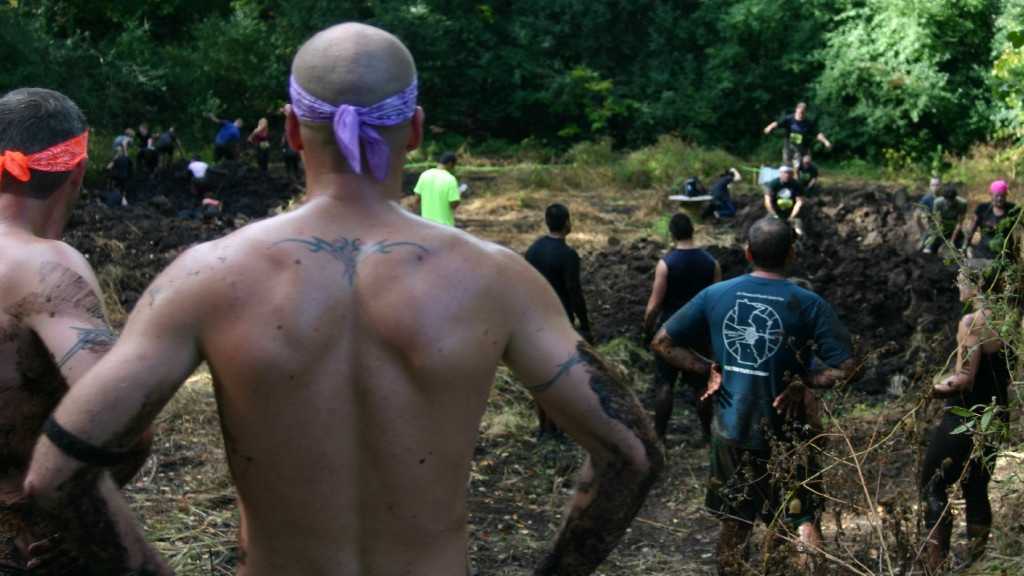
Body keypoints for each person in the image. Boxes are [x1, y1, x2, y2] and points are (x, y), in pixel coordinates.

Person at [25, 23, 663, 576]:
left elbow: (56, 474)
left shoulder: (208, 276)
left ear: (294, 132)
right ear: (413, 129)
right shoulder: (496, 279)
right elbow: (630, 455)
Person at [0, 88, 165, 575]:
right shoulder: (46, 268)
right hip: (25, 544)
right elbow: (126, 422)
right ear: (77, 171)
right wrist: (75, 515)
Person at [651, 217, 853, 575]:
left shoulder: (716, 295)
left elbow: (662, 342)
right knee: (801, 519)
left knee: (735, 522)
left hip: (733, 428)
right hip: (790, 433)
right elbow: (849, 367)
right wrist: (803, 379)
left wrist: (708, 369)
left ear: (747, 252)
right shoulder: (808, 303)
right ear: (792, 254)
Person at [922, 261, 1010, 573]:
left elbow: (964, 378)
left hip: (966, 416)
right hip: (997, 416)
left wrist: (930, 390)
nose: (958, 288)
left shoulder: (972, 322)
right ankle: (977, 562)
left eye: (961, 282)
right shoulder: (1011, 319)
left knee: (931, 484)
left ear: (976, 286)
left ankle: (937, 565)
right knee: (976, 487)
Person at [643, 213, 720, 441]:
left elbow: (655, 304)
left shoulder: (666, 263)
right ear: (692, 231)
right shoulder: (711, 263)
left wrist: (648, 328)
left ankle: (660, 435)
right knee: (701, 386)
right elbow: (716, 303)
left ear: (672, 234)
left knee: (665, 384)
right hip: (699, 331)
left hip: (670, 331)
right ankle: (707, 434)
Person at [524, 203, 593, 439]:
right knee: (560, 375)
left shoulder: (533, 250)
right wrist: (585, 323)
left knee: (540, 374)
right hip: (559, 319)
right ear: (567, 223)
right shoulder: (568, 255)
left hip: (534, 319)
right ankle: (557, 426)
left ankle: (544, 427)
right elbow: (574, 291)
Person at [763, 102, 833, 168]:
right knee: (787, 164)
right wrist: (769, 127)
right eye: (800, 112)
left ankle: (797, 178)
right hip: (789, 145)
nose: (801, 115)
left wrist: (826, 141)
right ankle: (786, 177)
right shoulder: (788, 119)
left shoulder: (808, 123)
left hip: (800, 147)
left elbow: (817, 134)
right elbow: (777, 123)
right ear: (796, 110)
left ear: (805, 112)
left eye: (803, 113)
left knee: (798, 165)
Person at [967, 180, 1018, 260]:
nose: (999, 198)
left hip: (1005, 256)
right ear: (991, 194)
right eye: (997, 196)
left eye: (1002, 196)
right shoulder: (982, 208)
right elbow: (971, 229)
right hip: (982, 254)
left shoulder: (1013, 209)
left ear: (1006, 195)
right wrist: (966, 246)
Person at [412, 151, 460, 226]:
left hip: (426, 225)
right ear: (450, 164)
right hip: (445, 227)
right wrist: (458, 196)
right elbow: (453, 204)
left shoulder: (425, 175)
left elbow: (416, 199)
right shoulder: (450, 179)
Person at [922, 184, 967, 254]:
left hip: (953, 226)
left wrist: (952, 240)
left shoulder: (962, 204)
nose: (949, 203)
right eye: (947, 201)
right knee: (929, 246)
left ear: (955, 198)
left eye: (952, 200)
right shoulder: (938, 202)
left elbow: (959, 223)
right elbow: (937, 221)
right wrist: (941, 236)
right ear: (944, 198)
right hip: (940, 226)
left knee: (962, 247)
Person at [763, 165, 805, 235]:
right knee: (764, 229)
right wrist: (774, 214)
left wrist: (792, 216)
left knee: (799, 231)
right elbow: (767, 200)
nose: (787, 175)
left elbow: (799, 202)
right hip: (776, 211)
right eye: (785, 173)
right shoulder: (773, 184)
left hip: (792, 211)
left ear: (792, 174)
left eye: (789, 173)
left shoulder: (797, 185)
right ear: (780, 173)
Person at [280, 104, 302, 181]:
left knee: (292, 163)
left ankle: (293, 177)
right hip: (290, 146)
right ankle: (292, 177)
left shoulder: (292, 120)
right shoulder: (291, 119)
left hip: (291, 146)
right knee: (291, 163)